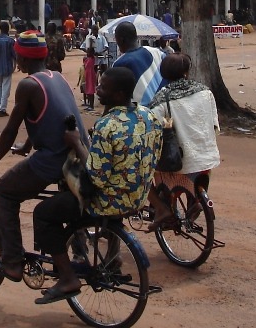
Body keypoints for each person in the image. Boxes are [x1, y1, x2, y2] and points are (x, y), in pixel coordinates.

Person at [30, 66, 162, 305]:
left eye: (103, 88)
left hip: (107, 201)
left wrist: (76, 143)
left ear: (119, 94)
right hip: (137, 196)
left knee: (43, 213)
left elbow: (96, 176)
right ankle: (109, 257)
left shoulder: (107, 125)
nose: (98, 90)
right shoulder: (149, 116)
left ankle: (67, 277)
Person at [0, 30, 86, 285]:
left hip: (54, 158)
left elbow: (10, 129)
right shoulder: (57, 77)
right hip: (76, 156)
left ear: (22, 59)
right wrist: (27, 145)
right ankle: (78, 250)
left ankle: (12, 261)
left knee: (4, 192)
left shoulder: (28, 85)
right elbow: (50, 117)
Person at [145, 53, 220, 229]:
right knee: (200, 175)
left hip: (179, 161)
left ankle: (164, 209)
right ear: (186, 72)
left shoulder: (162, 98)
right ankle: (196, 201)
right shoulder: (205, 91)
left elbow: (152, 128)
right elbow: (214, 124)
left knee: (146, 174)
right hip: (206, 155)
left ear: (163, 73)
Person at [112, 19, 166, 105]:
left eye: (116, 39)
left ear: (121, 40)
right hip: (165, 106)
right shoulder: (158, 52)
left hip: (143, 110)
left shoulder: (120, 63)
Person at [81, 46, 97, 110]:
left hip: (90, 76)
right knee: (88, 90)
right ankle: (90, 104)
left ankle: (91, 106)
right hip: (88, 76)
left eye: (88, 52)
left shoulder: (92, 58)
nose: (87, 53)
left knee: (91, 90)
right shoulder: (88, 59)